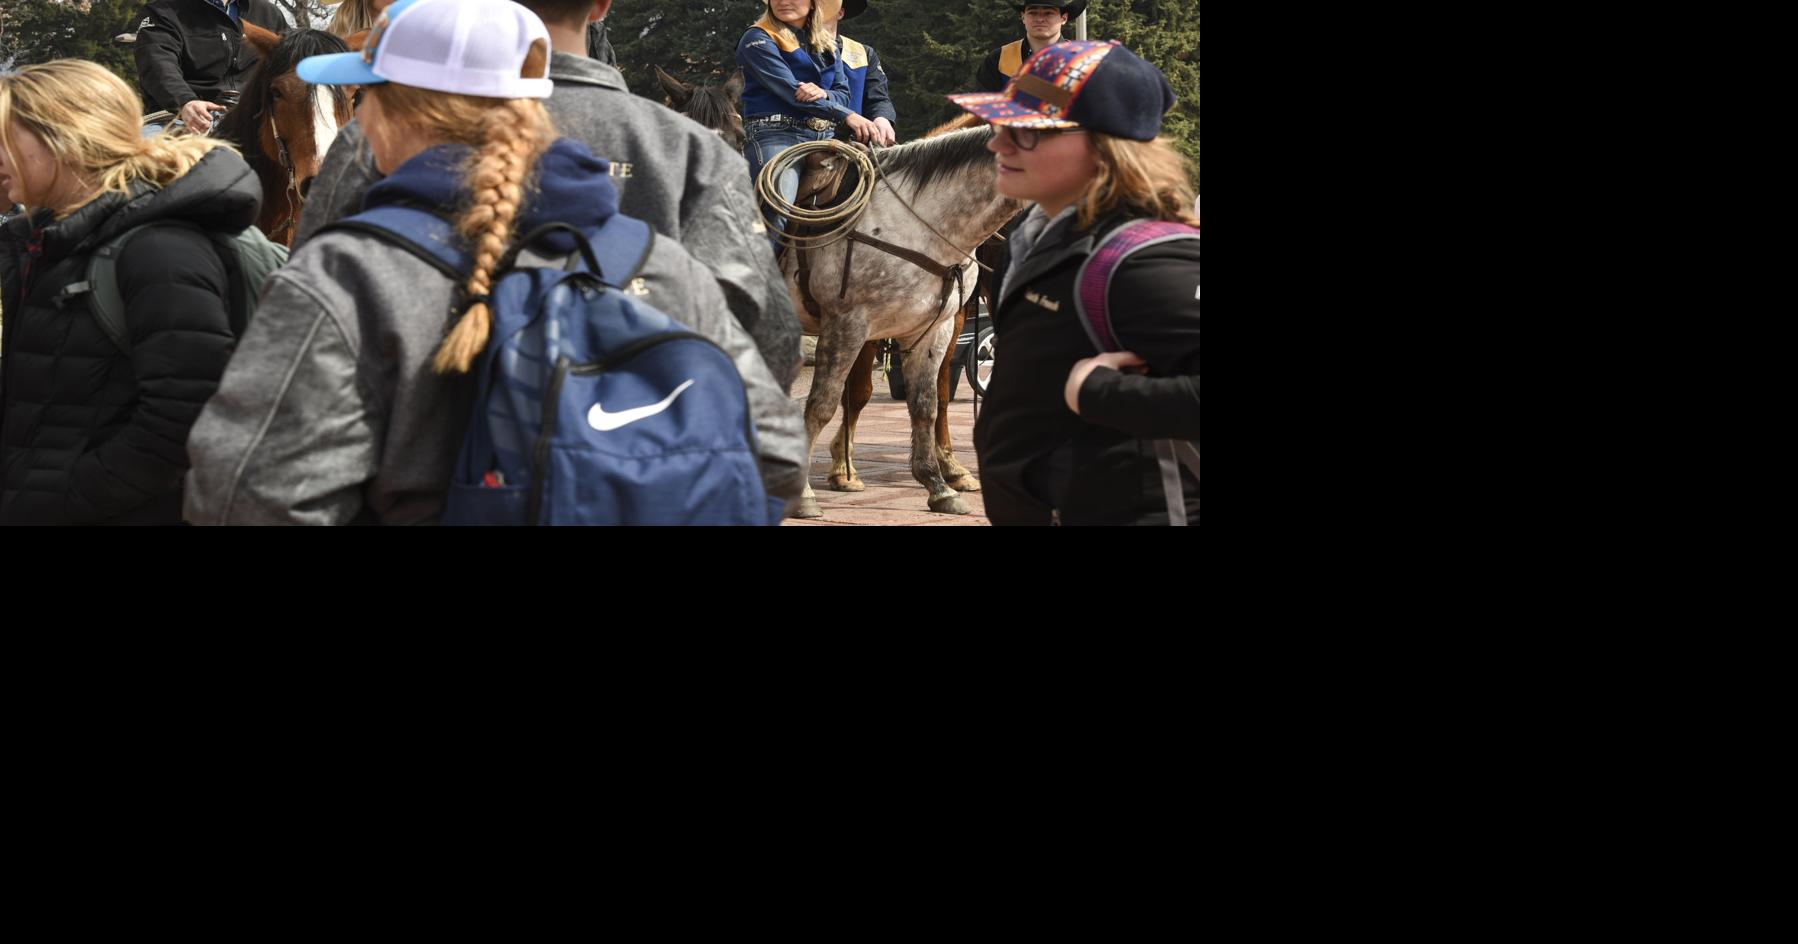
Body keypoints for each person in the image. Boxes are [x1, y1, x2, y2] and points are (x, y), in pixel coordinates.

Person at [182, 0, 804, 525]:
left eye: (363, 95)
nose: (356, 116)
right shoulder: (665, 265)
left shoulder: (349, 275)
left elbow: (248, 493)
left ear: (395, 111)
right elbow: (775, 455)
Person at [294, 0, 803, 391]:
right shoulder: (694, 153)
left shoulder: (382, 131)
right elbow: (773, 347)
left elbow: (310, 329)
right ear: (601, 5)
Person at [948, 40, 1200, 526]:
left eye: (1027, 131)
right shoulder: (1027, 237)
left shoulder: (1151, 263)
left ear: (1107, 146)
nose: (996, 143)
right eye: (1000, 125)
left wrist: (1101, 393)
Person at [0, 60, 259, 525]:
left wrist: (61, 500)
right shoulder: (50, 241)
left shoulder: (158, 251)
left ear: (66, 139)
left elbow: (183, 422)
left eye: (6, 137)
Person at [736, 0, 877, 241]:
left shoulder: (826, 43)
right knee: (777, 208)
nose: (783, 1)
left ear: (814, 3)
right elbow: (791, 92)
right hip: (776, 135)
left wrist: (825, 94)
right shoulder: (756, 39)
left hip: (827, 137)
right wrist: (848, 115)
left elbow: (843, 94)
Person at [132, 0, 285, 136]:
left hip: (254, 121)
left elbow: (293, 61)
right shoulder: (163, 10)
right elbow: (157, 64)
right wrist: (186, 102)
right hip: (177, 119)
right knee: (145, 160)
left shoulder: (269, 13)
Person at [823, 0, 894, 147]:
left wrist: (882, 118)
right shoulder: (789, 47)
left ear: (840, 12)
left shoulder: (864, 53)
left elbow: (878, 98)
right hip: (803, 136)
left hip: (855, 141)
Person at [973, 1, 1085, 93]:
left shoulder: (1081, 61)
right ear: (1023, 17)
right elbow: (981, 108)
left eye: (1048, 13)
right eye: (1033, 13)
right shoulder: (998, 60)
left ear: (1063, 18)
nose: (1040, 19)